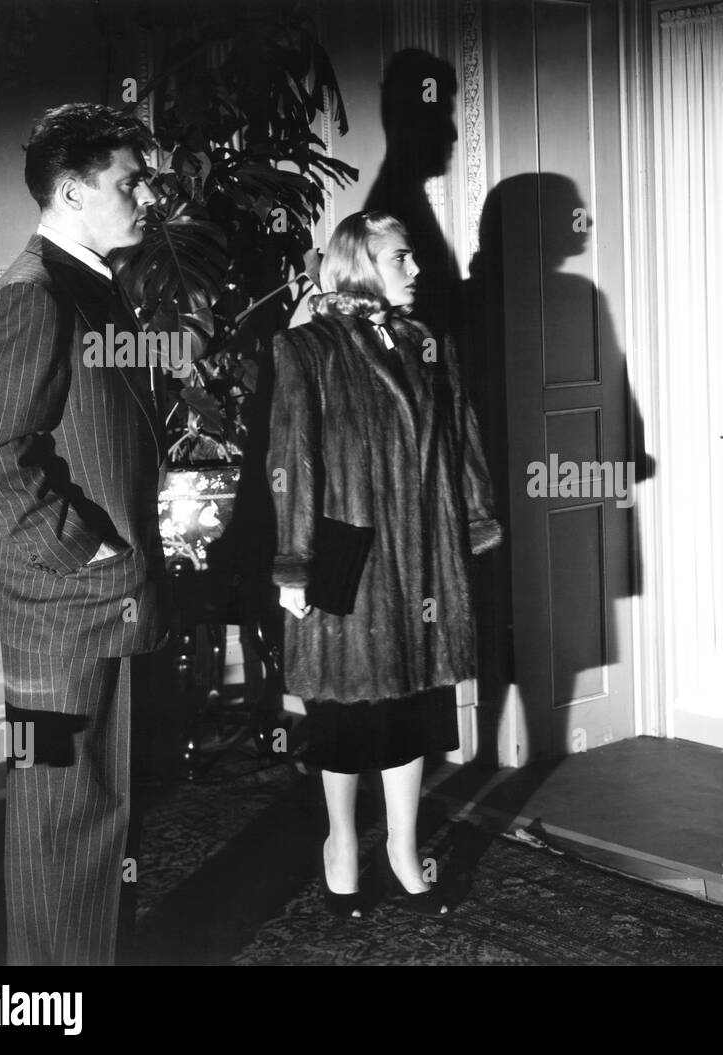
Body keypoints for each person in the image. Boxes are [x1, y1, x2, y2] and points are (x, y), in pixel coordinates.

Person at [0, 103, 165, 965]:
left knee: (99, 817)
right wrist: (85, 546)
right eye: (129, 181)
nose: (147, 195)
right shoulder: (33, 294)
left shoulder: (90, 281)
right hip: (62, 605)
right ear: (72, 192)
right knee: (60, 826)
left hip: (98, 603)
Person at [267, 211, 500, 919]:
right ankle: (342, 846)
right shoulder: (306, 347)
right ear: (362, 263)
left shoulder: (427, 343)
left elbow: (462, 438)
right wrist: (295, 567)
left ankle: (402, 851)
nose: (418, 269)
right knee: (342, 718)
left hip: (423, 554)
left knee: (414, 709)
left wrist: (476, 522)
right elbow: (292, 460)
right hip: (344, 554)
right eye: (402, 258)